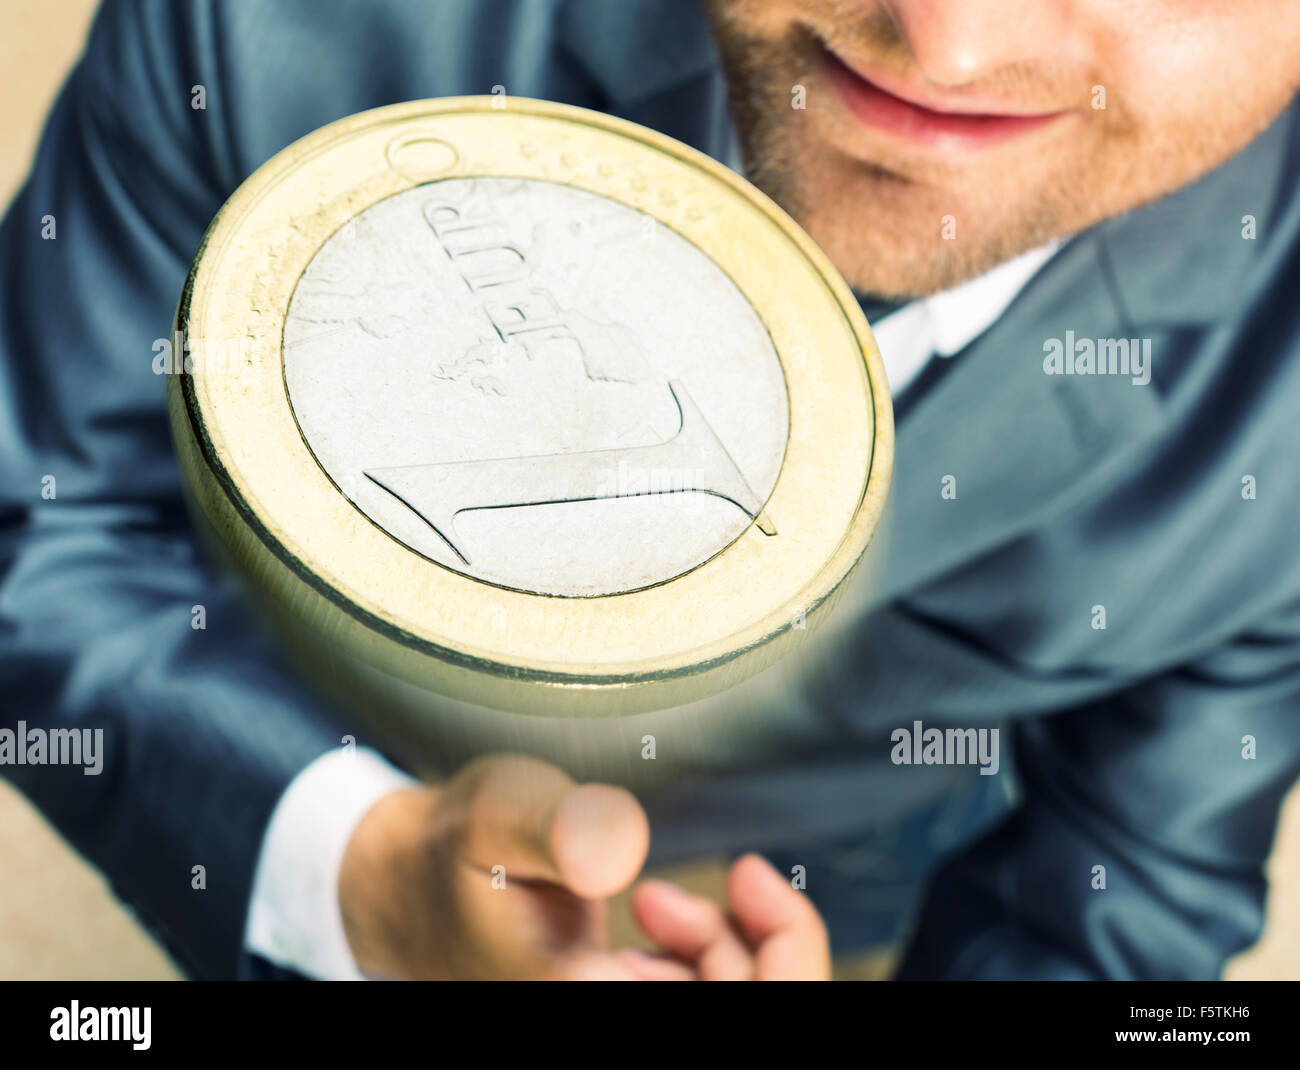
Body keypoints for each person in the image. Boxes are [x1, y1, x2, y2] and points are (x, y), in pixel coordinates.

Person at [2, 0, 1298, 981]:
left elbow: (1128, 892)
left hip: (853, 856)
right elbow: (40, 528)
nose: (945, 44)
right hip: (305, 713)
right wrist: (355, 871)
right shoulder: (282, 24)